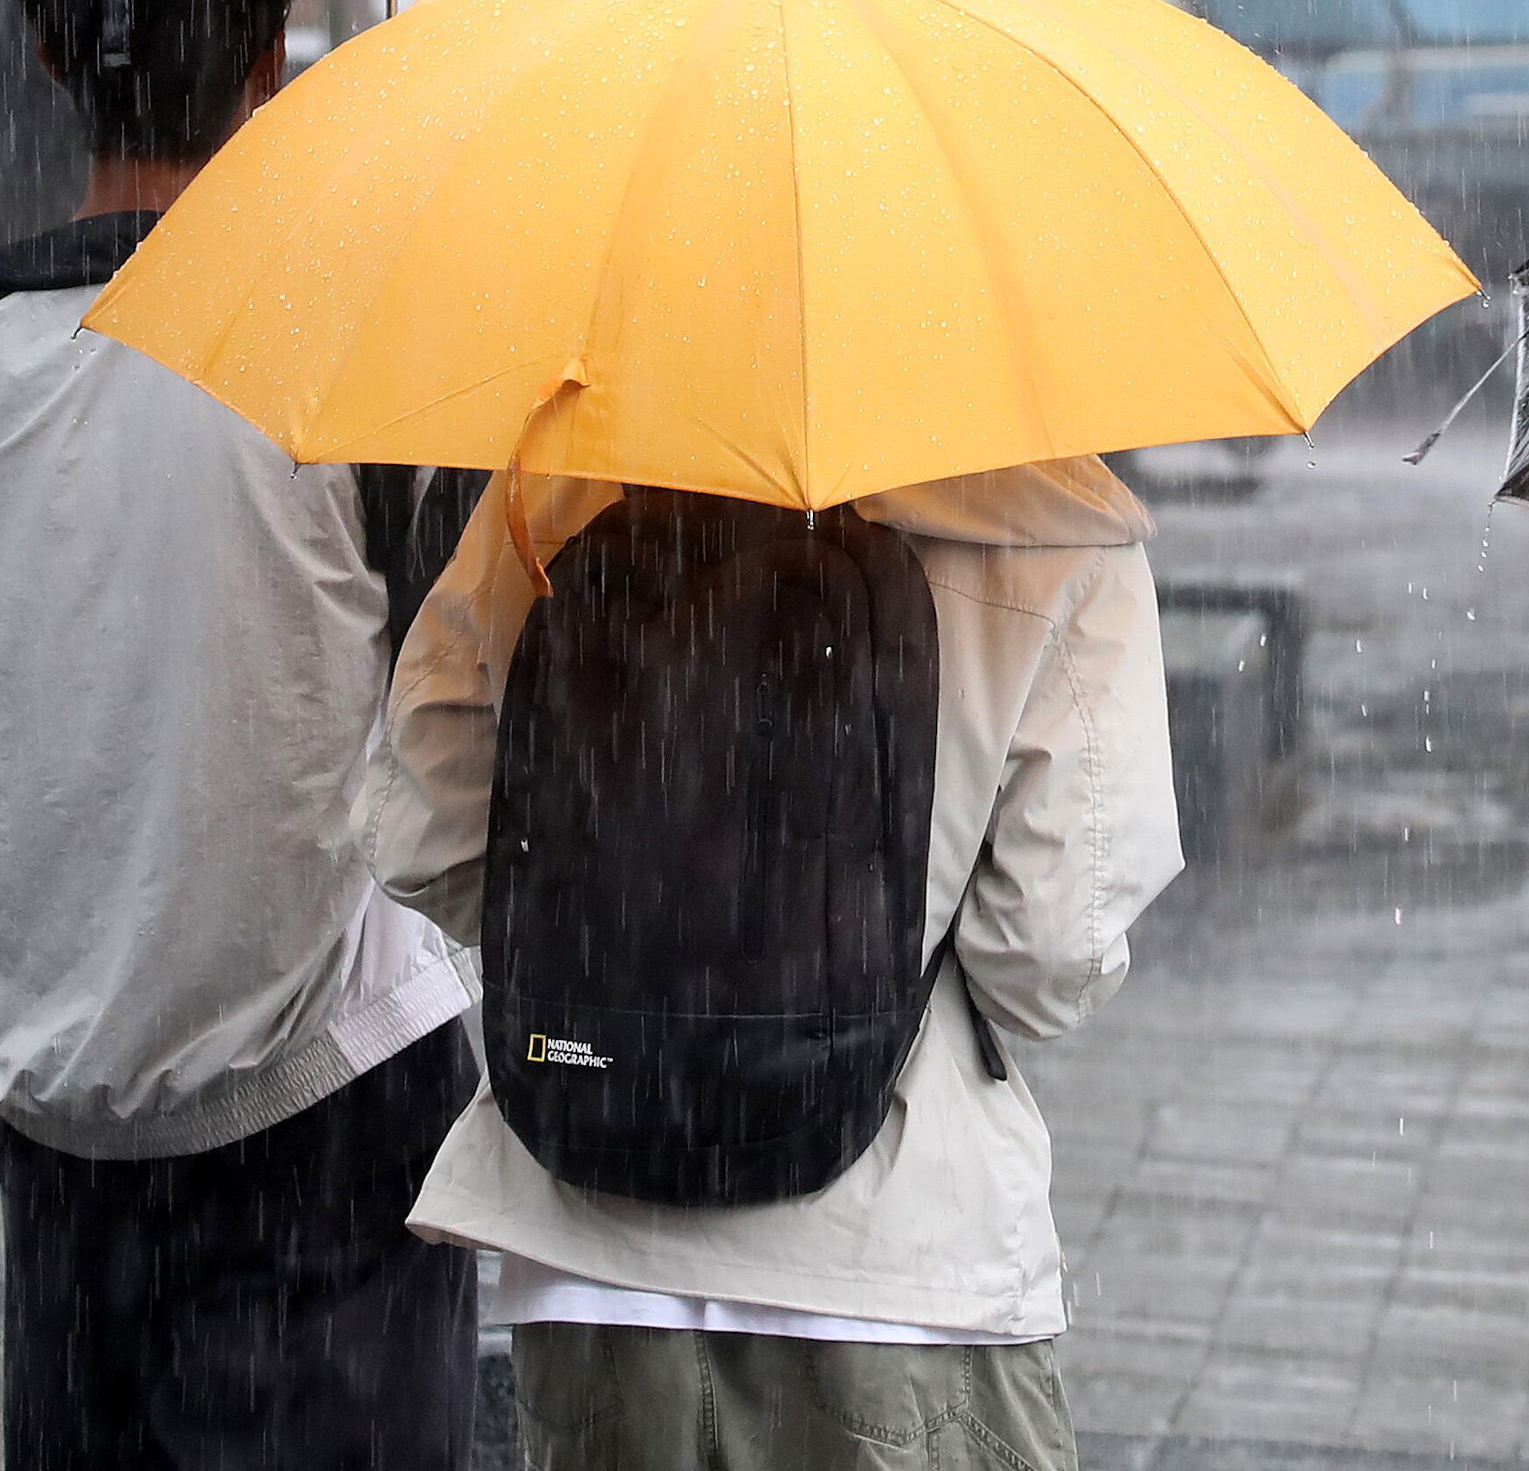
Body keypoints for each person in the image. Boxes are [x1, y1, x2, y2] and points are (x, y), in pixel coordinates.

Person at [0, 0, 482, 1468]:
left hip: (58, 1095)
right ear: (273, 53)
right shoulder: (356, 340)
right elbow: (458, 683)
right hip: (334, 1086)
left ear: (49, 49)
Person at [369, 460, 1184, 1471]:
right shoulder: (1054, 517)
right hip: (898, 1267)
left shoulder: (556, 480)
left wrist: (626, 954)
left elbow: (427, 843)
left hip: (596, 1263)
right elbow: (1046, 959)